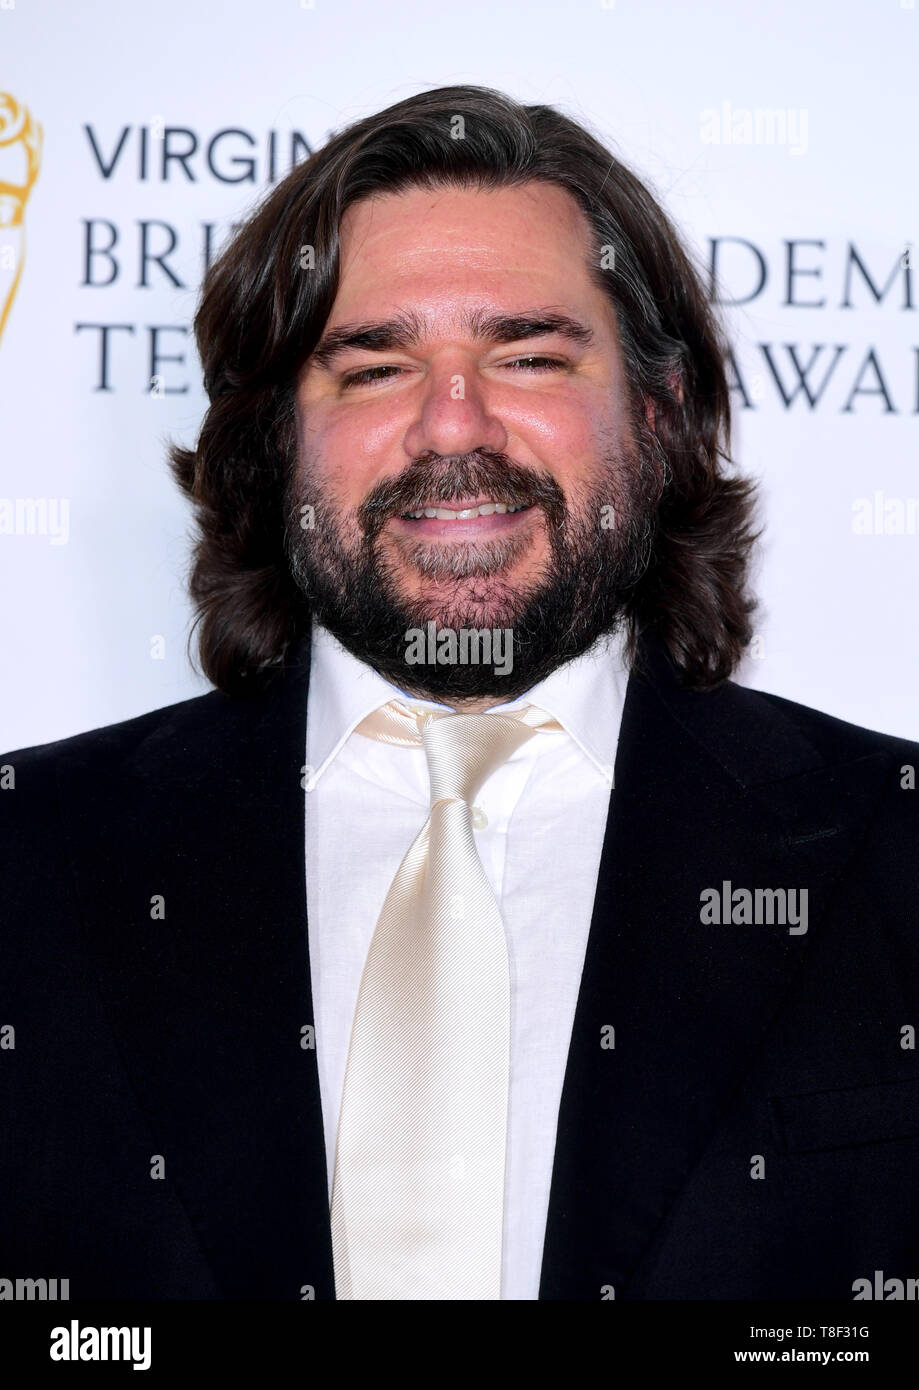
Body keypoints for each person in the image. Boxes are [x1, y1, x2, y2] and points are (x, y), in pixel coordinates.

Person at [2, 85, 918, 1303]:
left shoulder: (893, 850)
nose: (452, 425)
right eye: (374, 366)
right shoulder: (31, 858)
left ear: (658, 409)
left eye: (528, 355)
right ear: (276, 441)